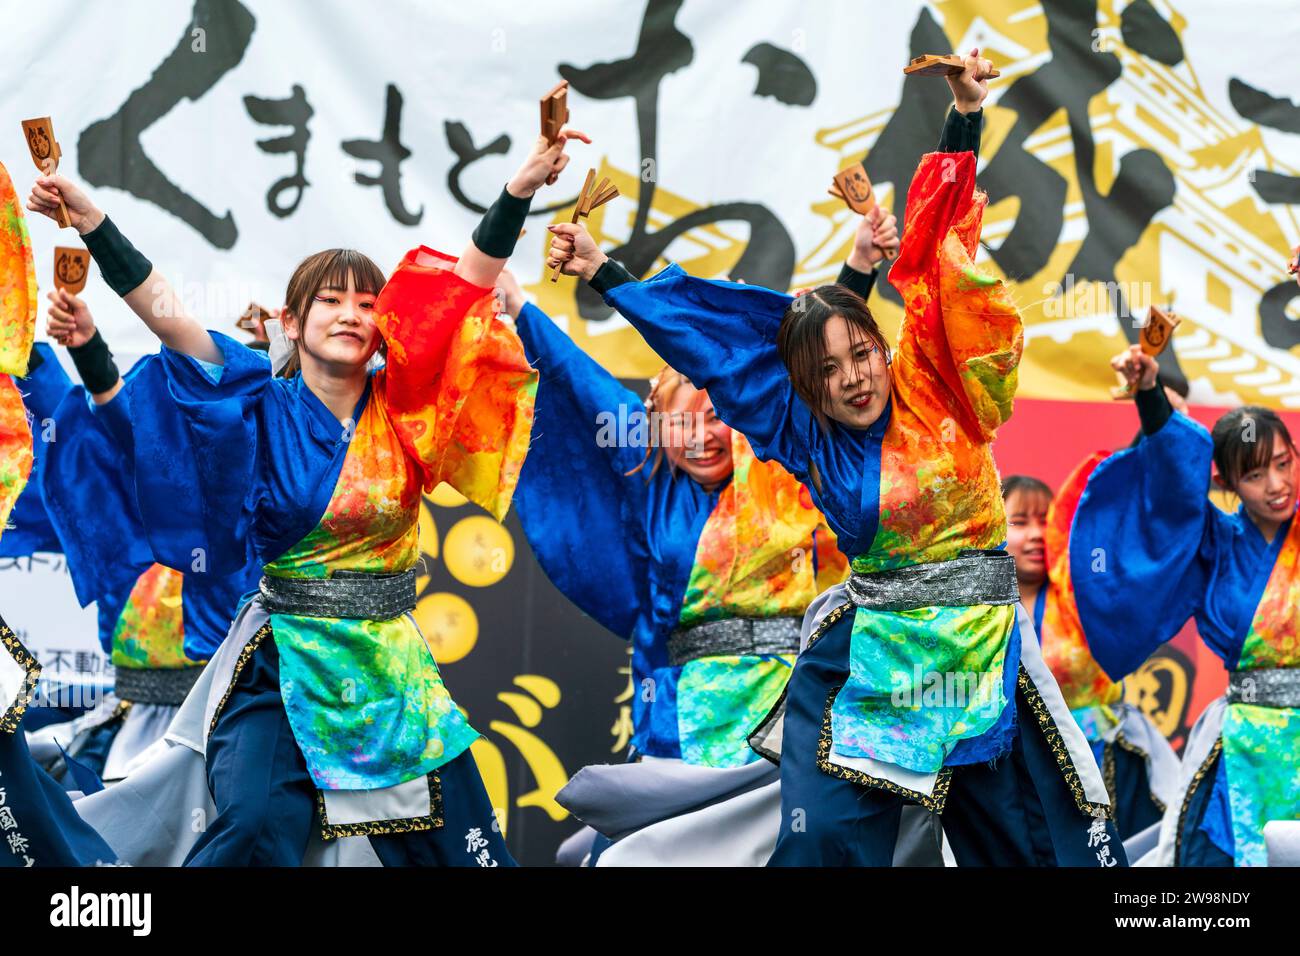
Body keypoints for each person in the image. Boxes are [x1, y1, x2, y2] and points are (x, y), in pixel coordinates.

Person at [544, 49, 1124, 866]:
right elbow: (709, 349)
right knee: (822, 849)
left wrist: (963, 117)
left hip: (984, 659)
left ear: (887, 352)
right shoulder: (805, 435)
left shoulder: (940, 384)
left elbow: (932, 253)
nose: (852, 379)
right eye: (828, 370)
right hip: (866, 667)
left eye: (862, 356)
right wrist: (607, 272)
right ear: (808, 388)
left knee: (1038, 852)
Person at [25, 121, 587, 866]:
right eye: (331, 301)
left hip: (391, 670)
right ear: (292, 322)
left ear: (383, 327)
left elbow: (463, 291)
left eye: (366, 304)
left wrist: (518, 190)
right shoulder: (256, 401)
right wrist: (92, 221)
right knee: (254, 826)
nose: (351, 314)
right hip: (279, 661)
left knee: (466, 850)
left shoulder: (406, 408)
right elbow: (165, 312)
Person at [13, 292, 258, 789]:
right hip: (122, 725)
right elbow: (119, 421)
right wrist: (62, 346)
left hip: (215, 734)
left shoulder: (264, 500)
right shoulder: (147, 494)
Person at [1070, 340, 1300, 866]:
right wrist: (1149, 394)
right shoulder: (1214, 545)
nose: (1278, 485)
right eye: (1256, 474)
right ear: (1225, 481)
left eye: (1284, 463)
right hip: (1241, 747)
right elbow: (1174, 483)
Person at [0, 156, 116, 866]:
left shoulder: (30, 378)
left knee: (27, 795)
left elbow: (85, 452)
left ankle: (92, 891)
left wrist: (41, 355)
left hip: (71, 668)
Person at [1003, 473, 1177, 842]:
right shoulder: (982, 611)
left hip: (1105, 760)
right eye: (1020, 522)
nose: (1036, 534)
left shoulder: (1084, 594)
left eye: (1045, 521)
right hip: (1018, 770)